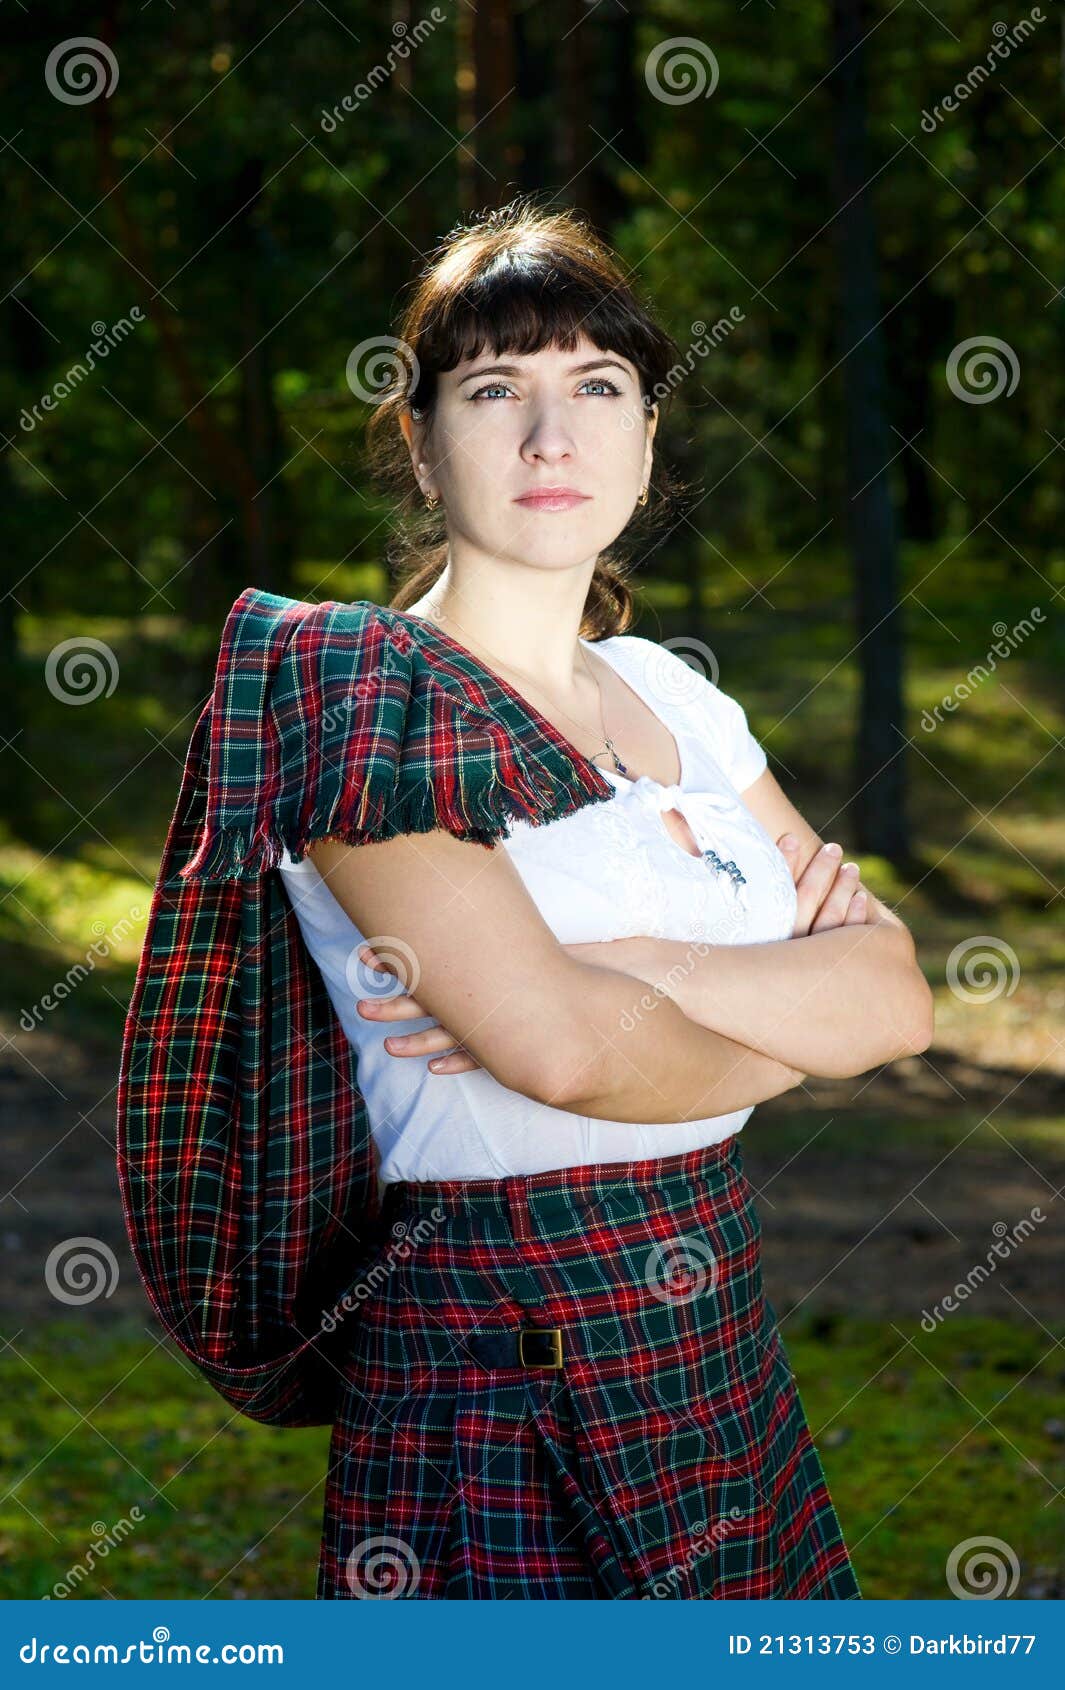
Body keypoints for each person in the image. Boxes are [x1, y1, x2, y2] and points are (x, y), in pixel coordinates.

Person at [117, 198, 933, 1601]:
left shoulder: (675, 690)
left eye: (596, 388)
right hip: (500, 1345)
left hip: (710, 1321)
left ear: (646, 437)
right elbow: (558, 1050)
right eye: (495, 390)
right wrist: (783, 1021)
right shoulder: (356, 695)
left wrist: (632, 968)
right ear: (422, 448)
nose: (553, 438)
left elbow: (897, 996)